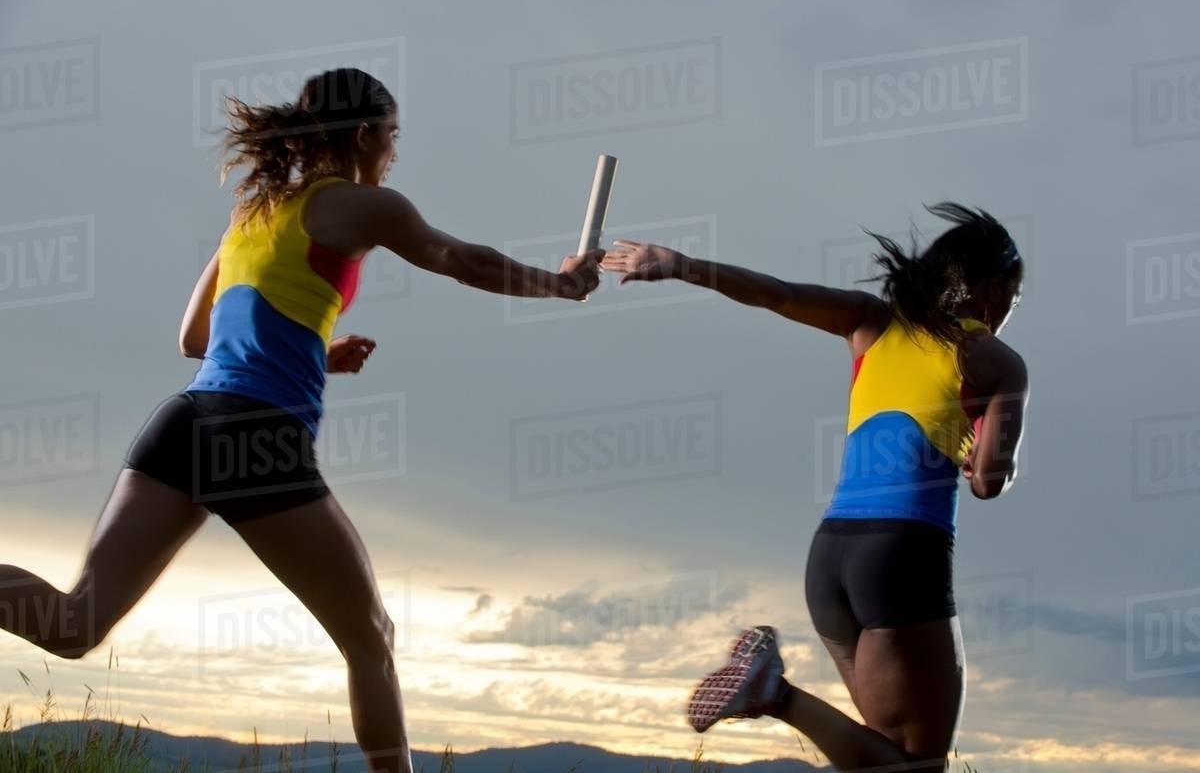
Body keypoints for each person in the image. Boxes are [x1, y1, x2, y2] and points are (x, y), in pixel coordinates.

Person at [0, 67, 604, 773]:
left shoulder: (253, 212)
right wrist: (560, 285)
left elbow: (195, 340)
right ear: (363, 133)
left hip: (183, 421)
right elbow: (457, 258)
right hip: (256, 435)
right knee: (370, 636)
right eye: (392, 136)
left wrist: (319, 348)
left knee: (74, 624)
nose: (394, 153)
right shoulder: (362, 205)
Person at [601, 204, 1028, 772]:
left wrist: (682, 265)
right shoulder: (998, 362)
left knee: (887, 758)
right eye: (1014, 298)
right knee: (920, 764)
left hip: (831, 560)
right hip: (903, 554)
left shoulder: (871, 322)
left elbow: (775, 293)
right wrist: (988, 457)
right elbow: (988, 485)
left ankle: (772, 691)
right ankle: (774, 694)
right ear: (995, 288)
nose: (1009, 313)